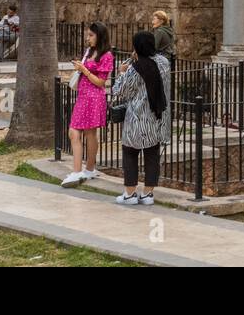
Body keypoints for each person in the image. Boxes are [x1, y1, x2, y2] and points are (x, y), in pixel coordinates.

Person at [110, 30, 170, 205]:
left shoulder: (135, 69)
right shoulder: (164, 63)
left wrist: (122, 72)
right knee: (152, 154)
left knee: (130, 153)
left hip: (138, 117)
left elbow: (119, 91)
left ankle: (129, 194)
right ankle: (148, 194)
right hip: (157, 115)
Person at [62, 21, 114, 186]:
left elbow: (101, 82)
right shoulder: (89, 51)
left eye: (91, 35)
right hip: (83, 95)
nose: (88, 38)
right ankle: (86, 170)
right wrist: (80, 68)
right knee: (82, 133)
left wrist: (85, 70)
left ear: (100, 36)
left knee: (79, 132)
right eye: (88, 35)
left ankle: (80, 171)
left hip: (93, 97)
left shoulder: (106, 56)